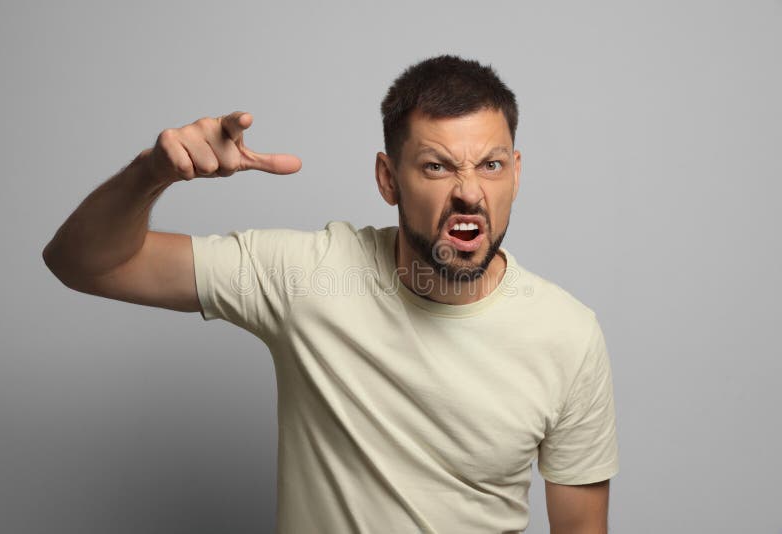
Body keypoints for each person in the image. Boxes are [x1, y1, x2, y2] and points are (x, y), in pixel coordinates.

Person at [43, 54, 619, 534]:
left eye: (490, 165)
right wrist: (151, 174)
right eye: (437, 167)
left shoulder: (568, 335)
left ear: (515, 172)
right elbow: (82, 263)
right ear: (388, 179)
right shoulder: (307, 277)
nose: (469, 192)